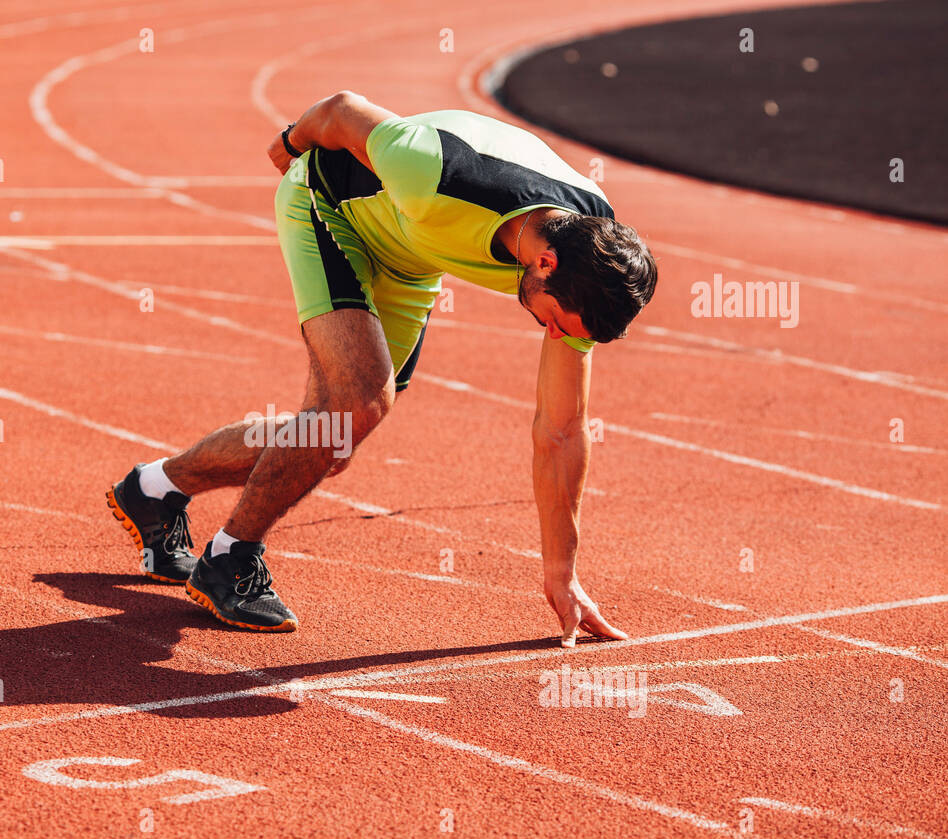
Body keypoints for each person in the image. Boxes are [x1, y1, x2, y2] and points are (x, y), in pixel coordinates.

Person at [107, 91, 657, 645]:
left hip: (412, 255)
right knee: (359, 400)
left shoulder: (590, 266)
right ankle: (230, 559)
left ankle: (154, 489)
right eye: (555, 323)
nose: (558, 336)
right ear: (545, 262)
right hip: (328, 205)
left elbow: (561, 430)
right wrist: (291, 141)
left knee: (331, 443)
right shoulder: (435, 173)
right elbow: (342, 111)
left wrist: (562, 574)